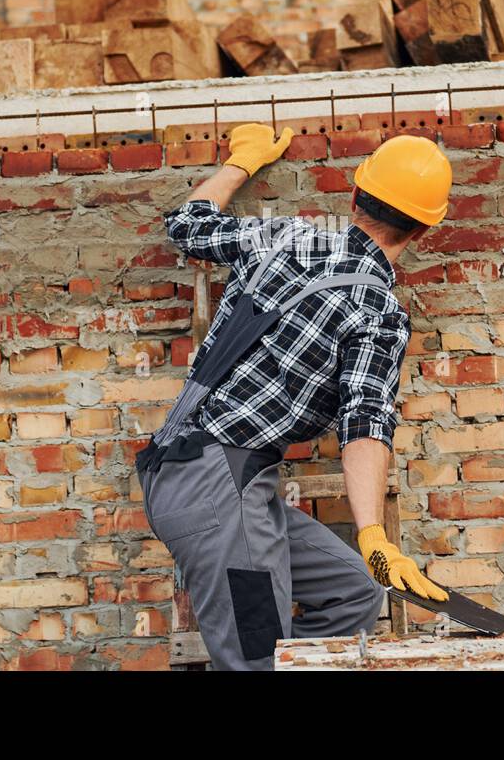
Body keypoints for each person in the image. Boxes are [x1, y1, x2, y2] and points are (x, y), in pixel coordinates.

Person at [135, 123, 453, 670]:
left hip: (212, 480)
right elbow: (365, 427)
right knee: (257, 659)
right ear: (424, 230)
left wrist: (244, 162)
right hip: (219, 486)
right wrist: (374, 534)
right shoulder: (378, 314)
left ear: (355, 195)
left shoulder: (286, 235)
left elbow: (189, 225)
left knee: (354, 590)